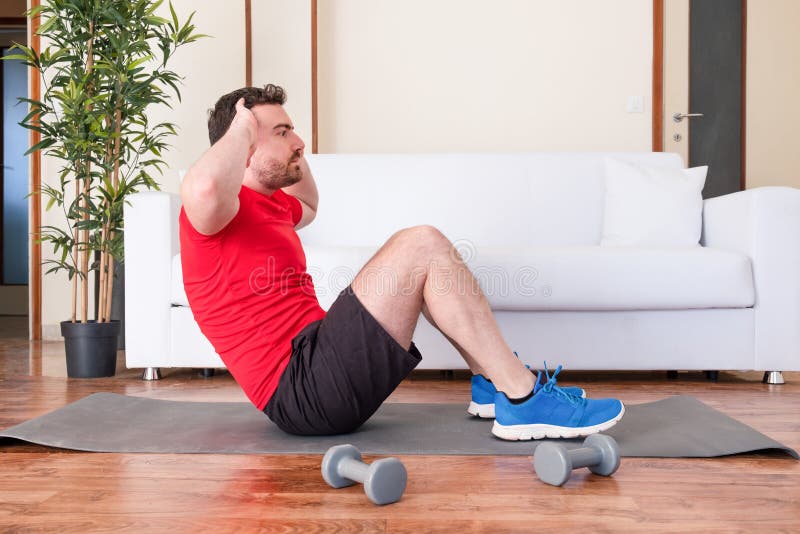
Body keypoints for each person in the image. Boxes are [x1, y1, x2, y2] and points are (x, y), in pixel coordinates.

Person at [179, 84, 625, 439]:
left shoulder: (271, 205)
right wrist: (240, 124)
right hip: (301, 391)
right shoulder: (213, 214)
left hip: (316, 361)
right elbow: (202, 188)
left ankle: (493, 385)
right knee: (421, 244)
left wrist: (284, 145)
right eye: (282, 132)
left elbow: (308, 202)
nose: (299, 141)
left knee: (428, 263)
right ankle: (526, 401)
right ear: (243, 145)